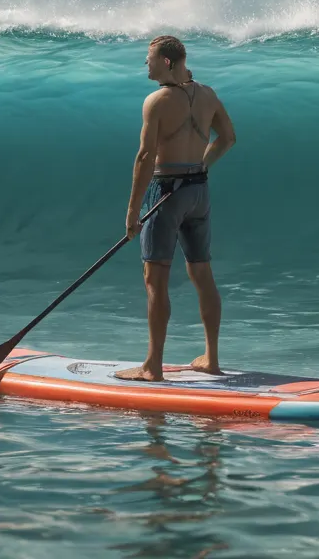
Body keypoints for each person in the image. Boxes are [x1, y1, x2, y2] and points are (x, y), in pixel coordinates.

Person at [116, 35, 236, 382]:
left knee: (155, 279)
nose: (146, 64)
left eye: (149, 59)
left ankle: (152, 366)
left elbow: (144, 157)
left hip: (166, 192)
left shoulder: (156, 102)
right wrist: (201, 164)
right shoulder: (208, 94)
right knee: (202, 273)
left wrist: (132, 212)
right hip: (198, 191)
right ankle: (211, 359)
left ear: (167, 62)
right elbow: (227, 137)